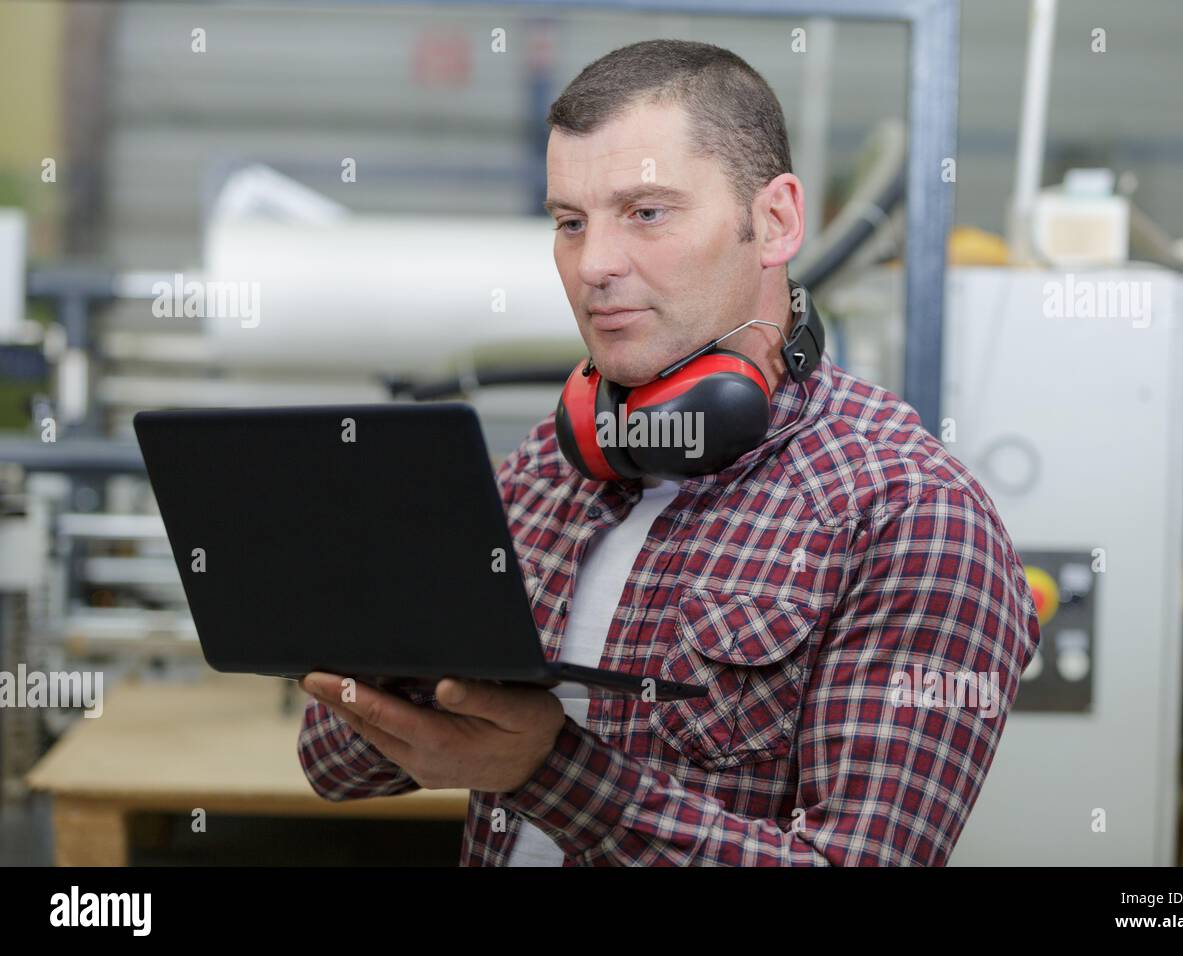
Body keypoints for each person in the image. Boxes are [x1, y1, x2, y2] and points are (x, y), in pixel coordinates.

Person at [297, 38, 1040, 866]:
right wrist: (375, 659)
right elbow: (333, 769)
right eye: (571, 223)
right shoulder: (549, 465)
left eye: (646, 213)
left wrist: (546, 768)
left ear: (777, 221)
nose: (595, 265)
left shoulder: (910, 514)